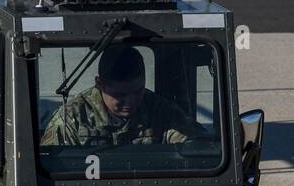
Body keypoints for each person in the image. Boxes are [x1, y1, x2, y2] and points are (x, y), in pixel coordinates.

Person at [40, 45, 205, 147]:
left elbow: (196, 144)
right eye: (119, 95)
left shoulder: (159, 110)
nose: (130, 102)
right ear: (99, 84)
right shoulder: (72, 118)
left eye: (137, 91)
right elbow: (53, 162)